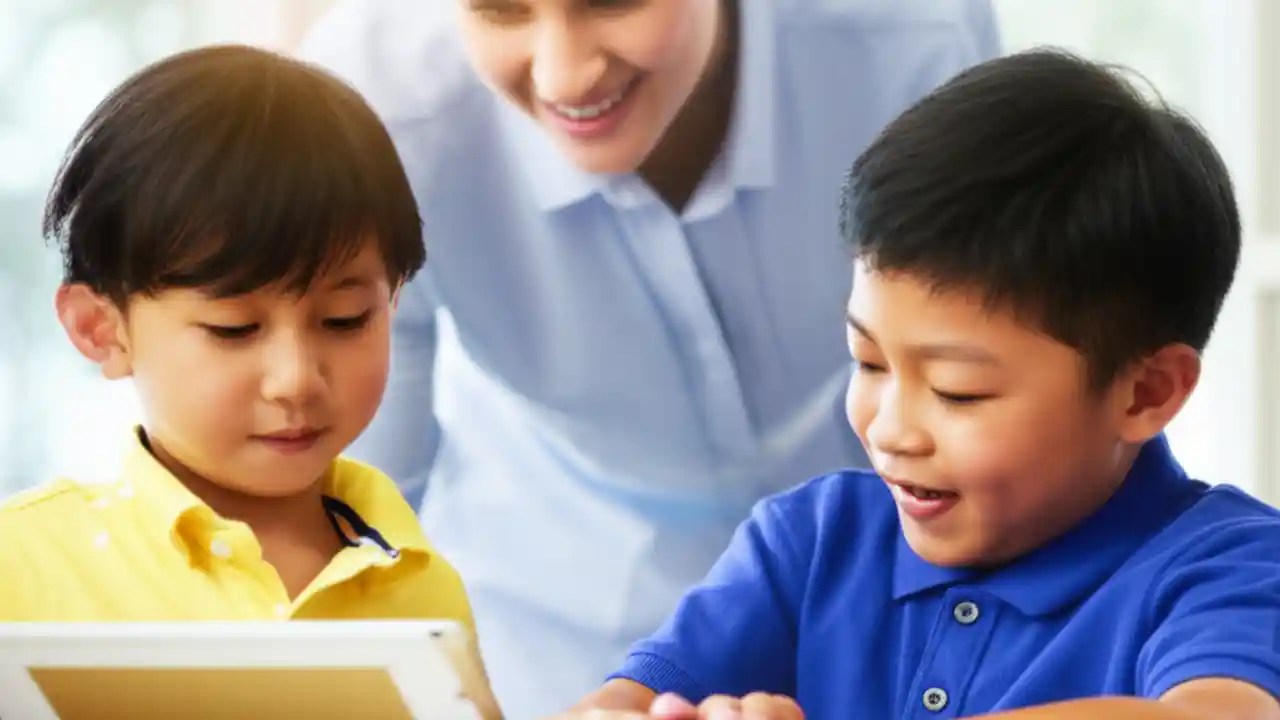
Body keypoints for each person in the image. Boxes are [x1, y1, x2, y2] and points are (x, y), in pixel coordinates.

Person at [300, 2, 999, 713]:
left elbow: (1012, 379)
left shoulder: (917, 36)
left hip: (882, 609)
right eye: (502, 10)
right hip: (544, 632)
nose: (565, 77)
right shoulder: (376, 110)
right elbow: (348, 524)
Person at [565, 50, 1280, 720]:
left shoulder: (1229, 566)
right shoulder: (814, 541)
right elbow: (617, 705)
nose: (888, 430)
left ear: (1145, 392)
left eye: (957, 391)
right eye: (868, 363)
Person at [0, 45, 498, 720]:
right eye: (234, 329)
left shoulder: (423, 586)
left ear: (394, 304)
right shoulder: (19, 565)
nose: (296, 380)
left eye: (345, 319)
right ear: (101, 330)